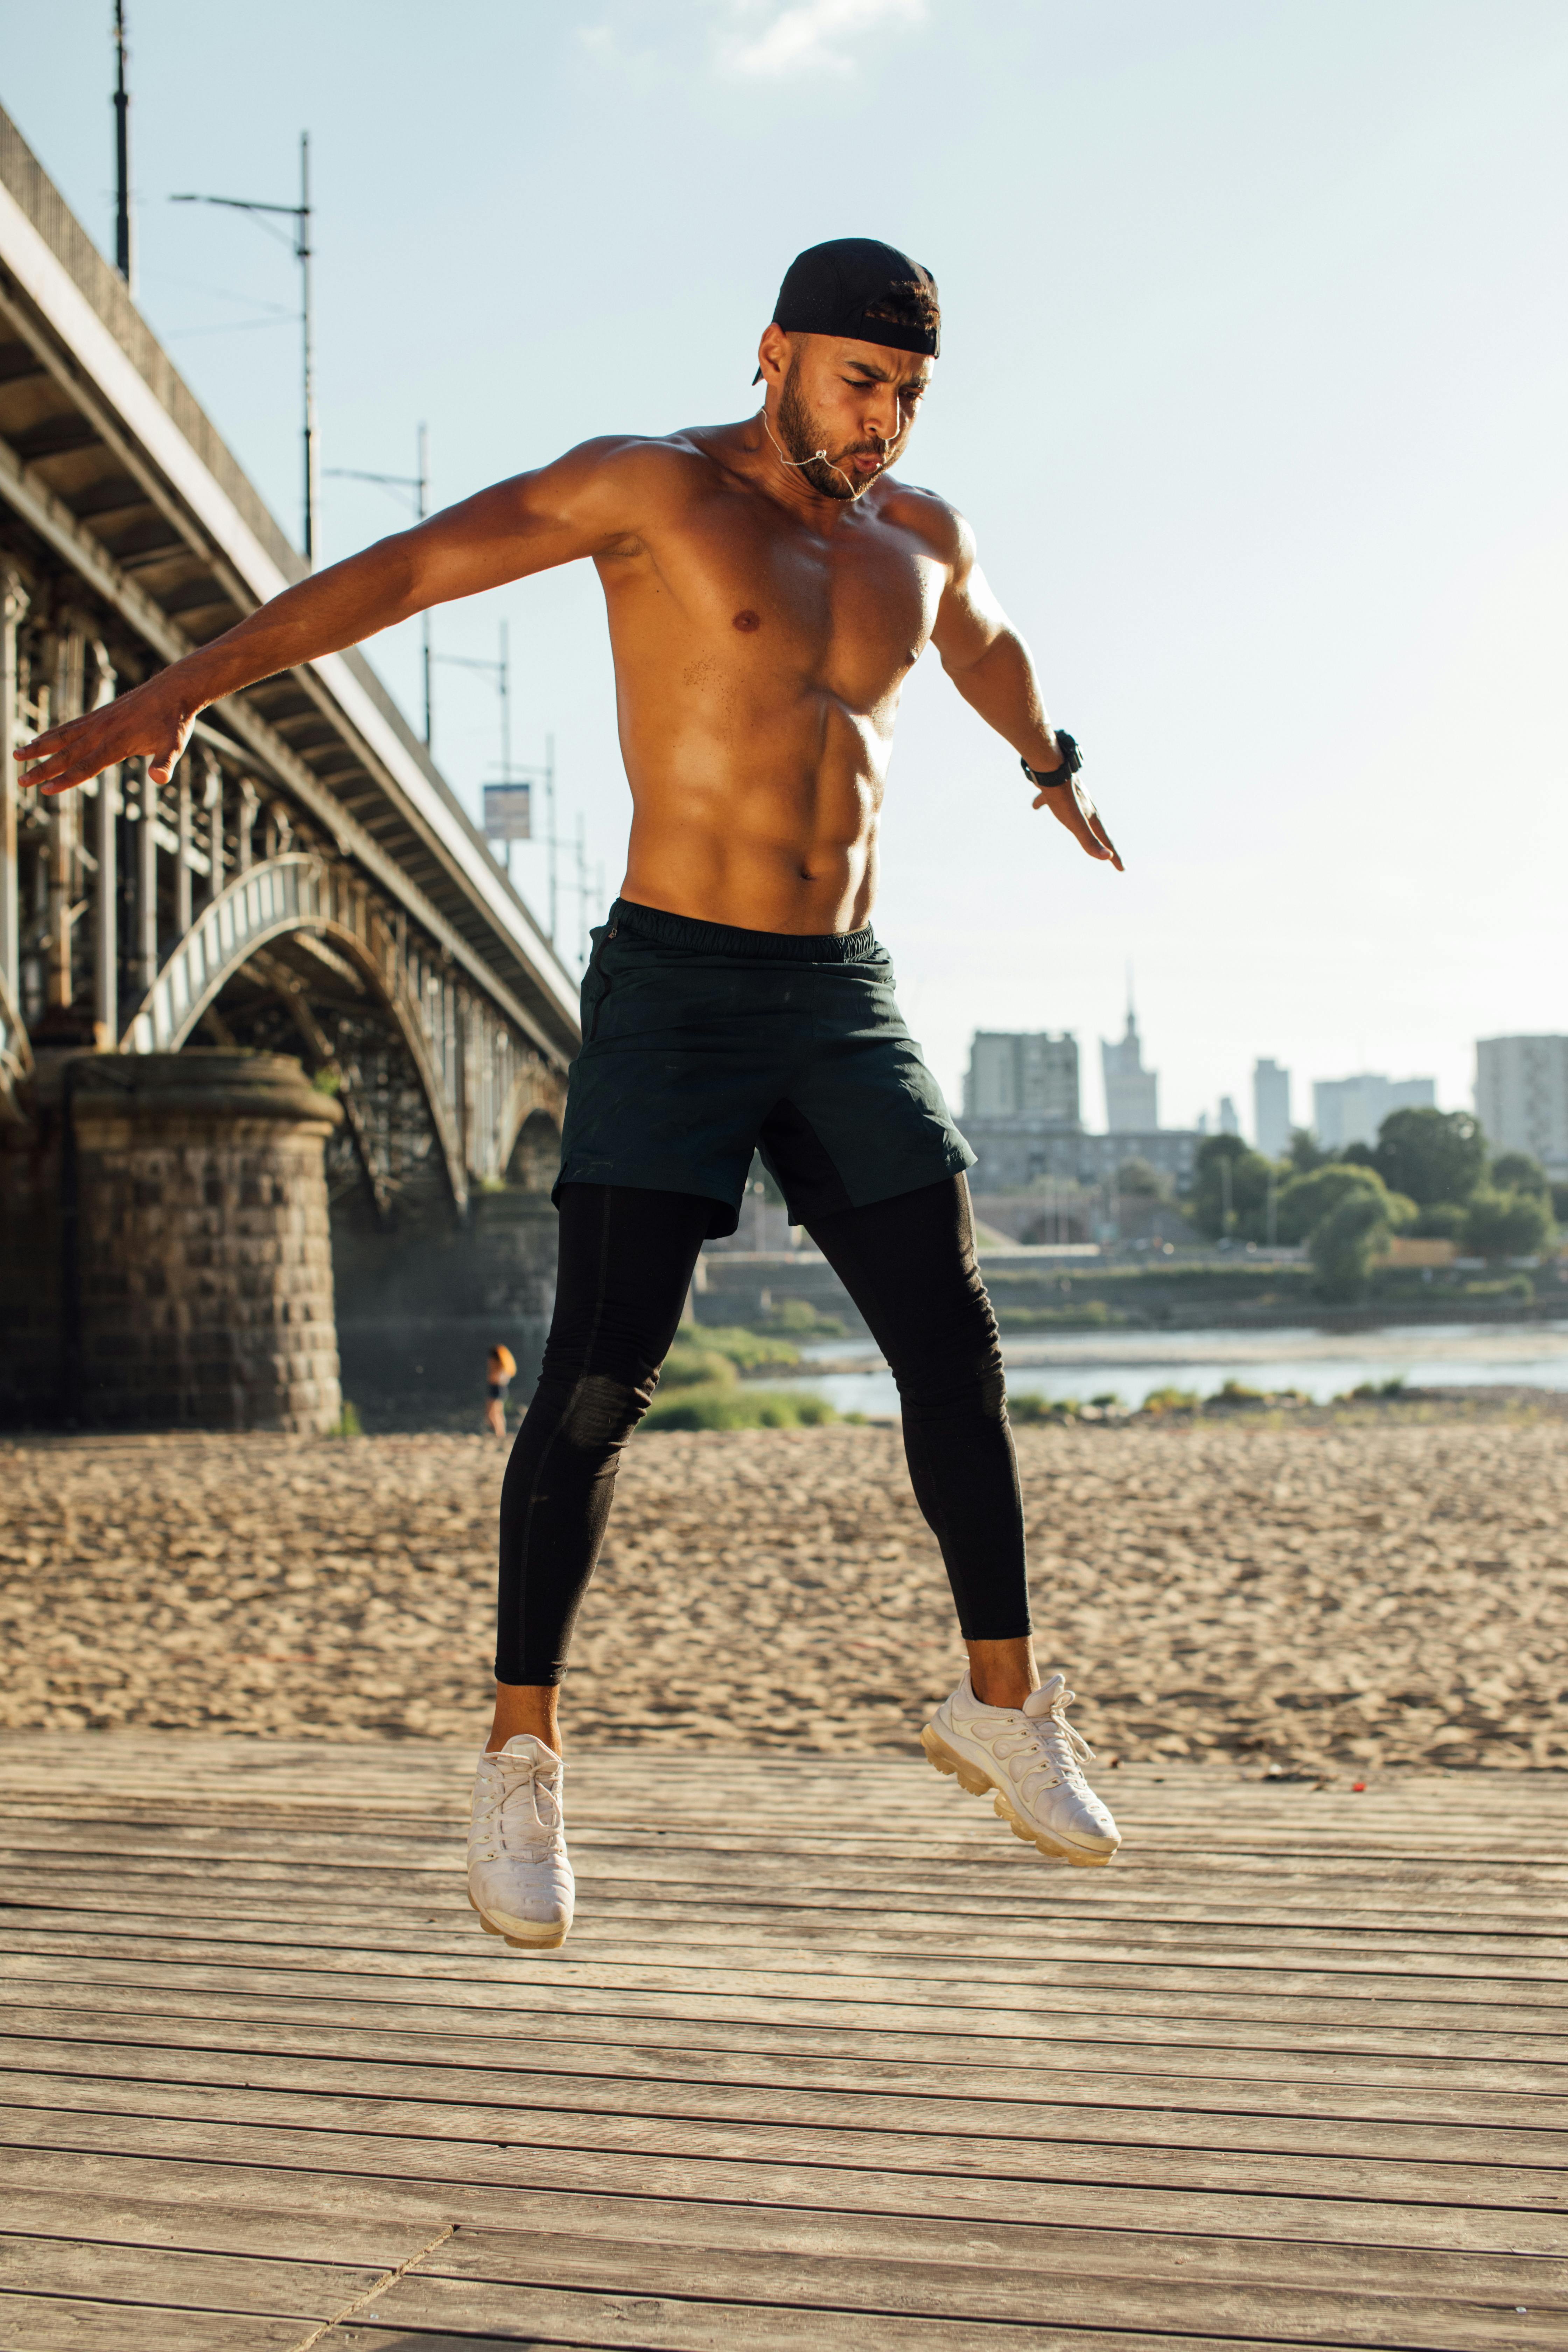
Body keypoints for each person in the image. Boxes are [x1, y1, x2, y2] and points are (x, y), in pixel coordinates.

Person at [20, 237, 1126, 1954]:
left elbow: (982, 649)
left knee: (952, 1343)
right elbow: (407, 573)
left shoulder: (917, 540)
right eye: (857, 381)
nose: (883, 422)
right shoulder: (653, 491)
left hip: (841, 997)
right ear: (771, 351)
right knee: (601, 1378)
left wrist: (1048, 767)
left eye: (909, 394)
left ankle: (1001, 1705)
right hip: (675, 986)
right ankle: (518, 1760)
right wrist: (181, 687)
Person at [484, 1344, 516, 1441]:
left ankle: (499, 1434)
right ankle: (500, 1433)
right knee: (498, 1413)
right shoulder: (504, 1366)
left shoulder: (500, 1367)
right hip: (499, 1389)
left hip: (497, 1389)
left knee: (493, 1413)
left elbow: (493, 1379)